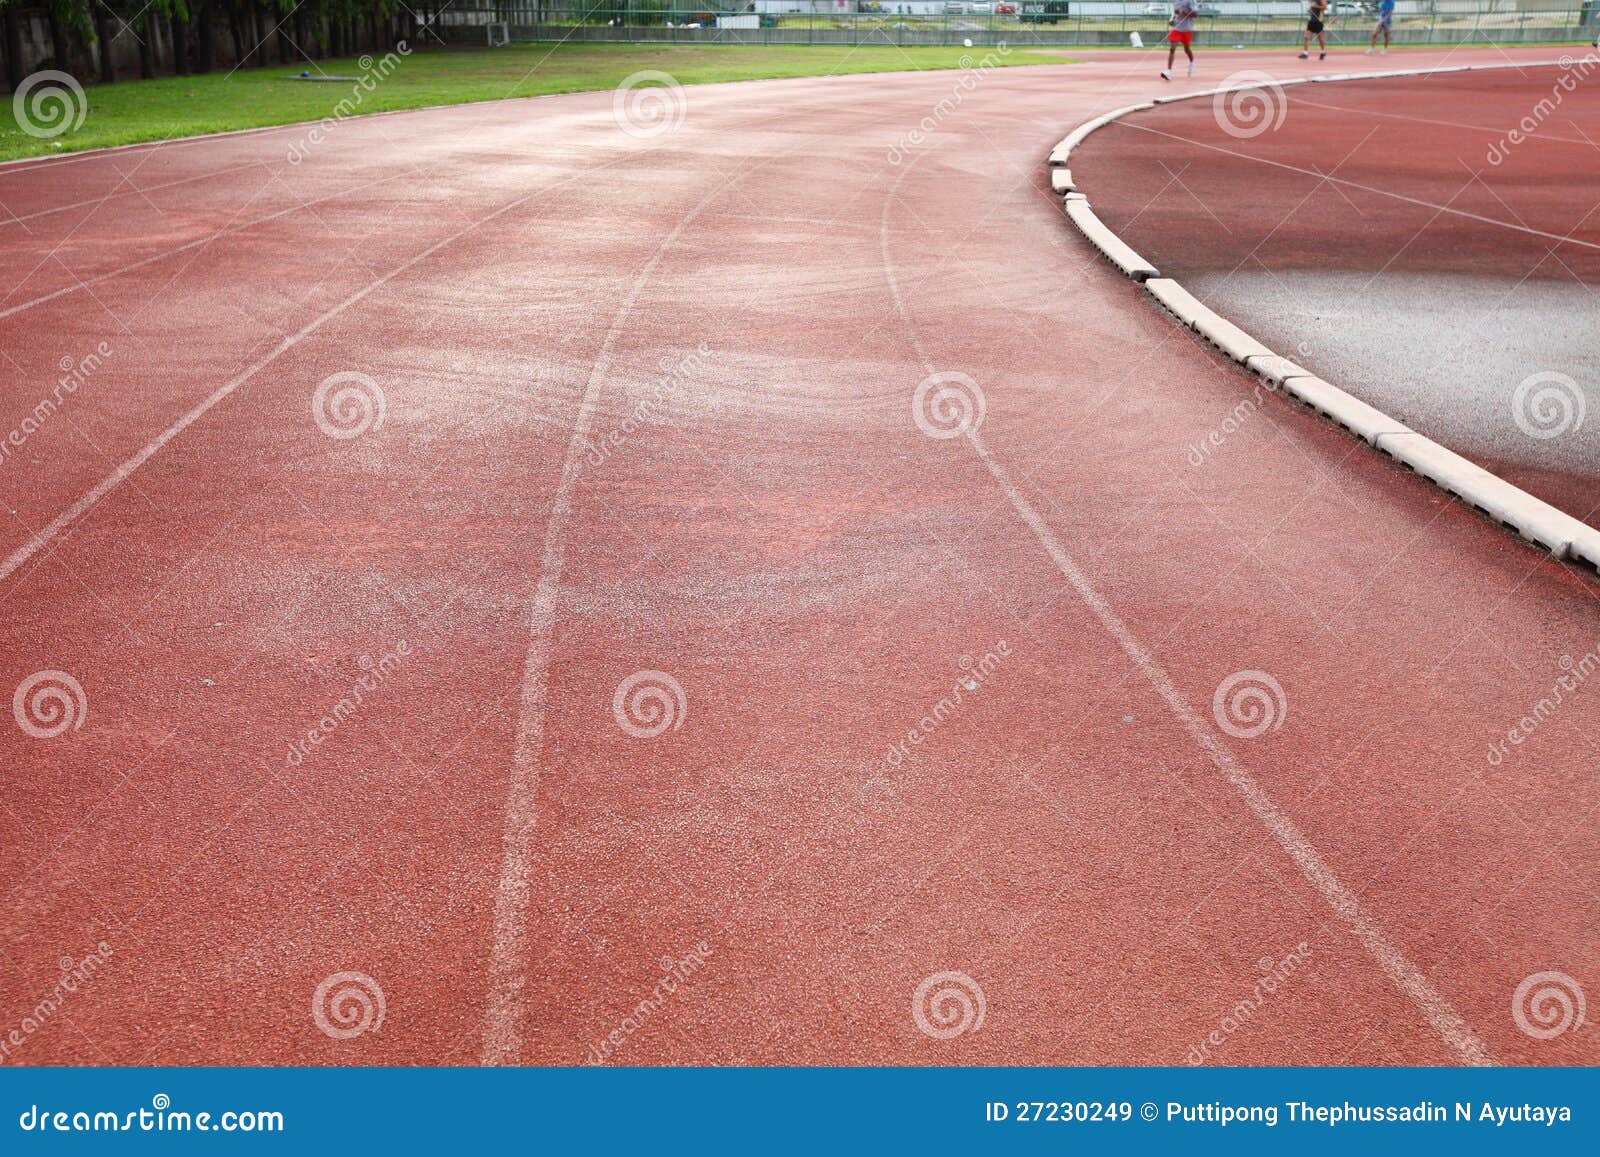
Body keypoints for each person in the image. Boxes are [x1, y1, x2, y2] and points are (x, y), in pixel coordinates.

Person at [1161, 0, 1199, 80]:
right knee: (1172, 49)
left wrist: (1183, 12)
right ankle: (1168, 71)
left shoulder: (1191, 1)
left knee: (1187, 48)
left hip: (1187, 29)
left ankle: (1192, 63)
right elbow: (1175, 13)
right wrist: (1172, 19)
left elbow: (1195, 14)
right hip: (1177, 28)